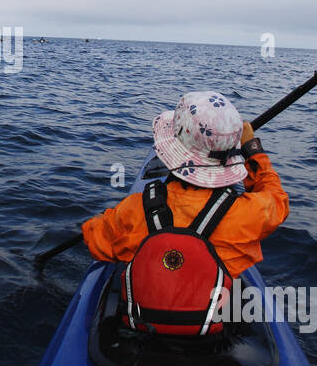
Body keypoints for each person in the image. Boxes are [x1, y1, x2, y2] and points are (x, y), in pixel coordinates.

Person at [81, 90, 288, 335]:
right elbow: (277, 199)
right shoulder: (249, 214)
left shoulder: (134, 209)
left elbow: (95, 241)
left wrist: (105, 219)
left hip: (141, 332)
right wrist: (252, 149)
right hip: (213, 333)